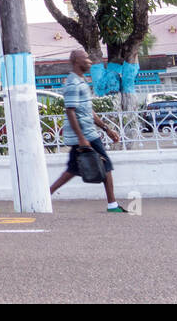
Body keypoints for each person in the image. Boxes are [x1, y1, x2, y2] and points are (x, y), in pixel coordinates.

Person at [50, 49, 126, 213]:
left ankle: (45, 195)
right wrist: (81, 137)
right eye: (86, 58)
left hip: (88, 132)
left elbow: (87, 110)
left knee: (72, 170)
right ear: (77, 61)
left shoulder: (81, 81)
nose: (90, 61)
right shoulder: (72, 83)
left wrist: (106, 129)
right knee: (106, 165)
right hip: (85, 134)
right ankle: (112, 205)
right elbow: (70, 111)